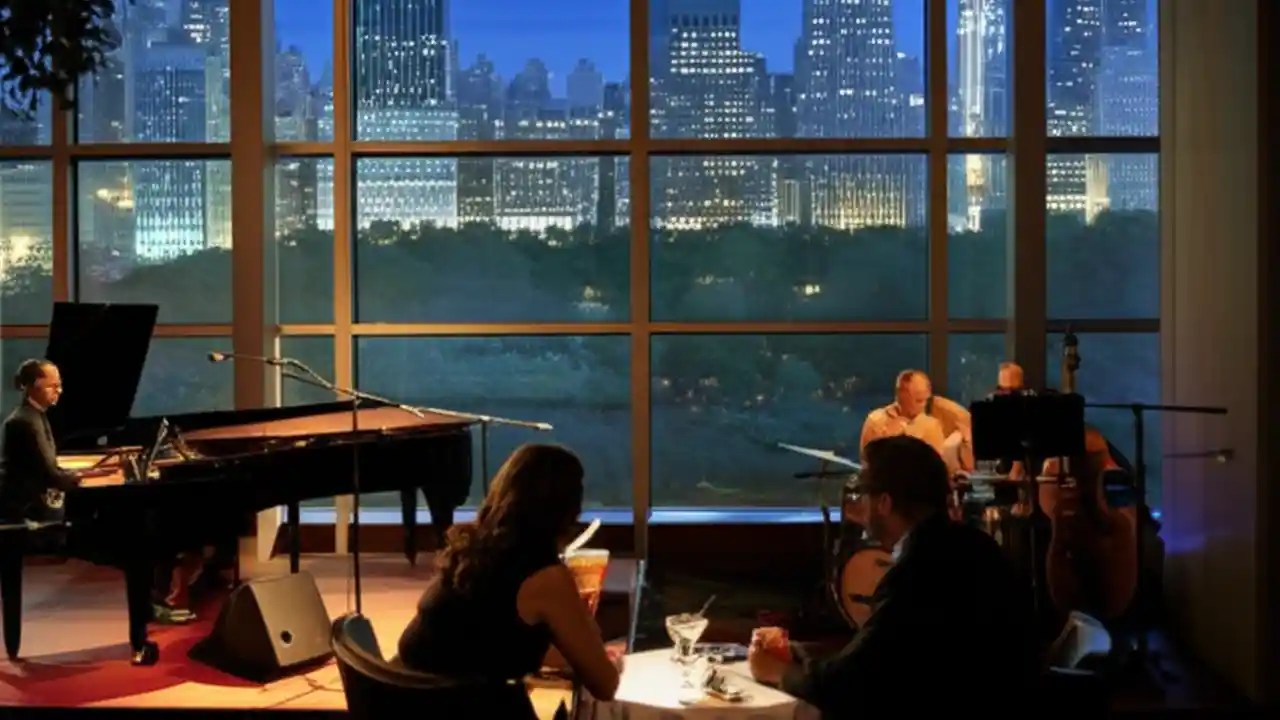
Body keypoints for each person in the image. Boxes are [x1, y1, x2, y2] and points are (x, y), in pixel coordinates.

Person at [748, 435, 1038, 714]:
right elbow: (873, 659)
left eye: (864, 494)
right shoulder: (971, 546)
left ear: (884, 503)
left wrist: (780, 671)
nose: (860, 504)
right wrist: (799, 654)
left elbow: (850, 685)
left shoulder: (919, 572)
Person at [397, 443, 620, 701]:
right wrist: (608, 660)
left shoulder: (471, 553)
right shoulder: (545, 576)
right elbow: (605, 685)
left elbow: (484, 637)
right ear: (568, 509)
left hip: (408, 700)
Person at [0, 359, 84, 523]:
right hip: (29, 512)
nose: (59, 391)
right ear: (35, 386)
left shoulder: (35, 415)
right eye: (52, 386)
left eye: (59, 385)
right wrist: (77, 477)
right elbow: (49, 474)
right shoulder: (24, 421)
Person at [859, 370, 947, 463]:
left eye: (926, 400)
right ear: (901, 396)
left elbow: (937, 468)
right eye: (918, 400)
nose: (923, 405)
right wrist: (888, 438)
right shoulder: (876, 420)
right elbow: (867, 463)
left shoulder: (931, 426)